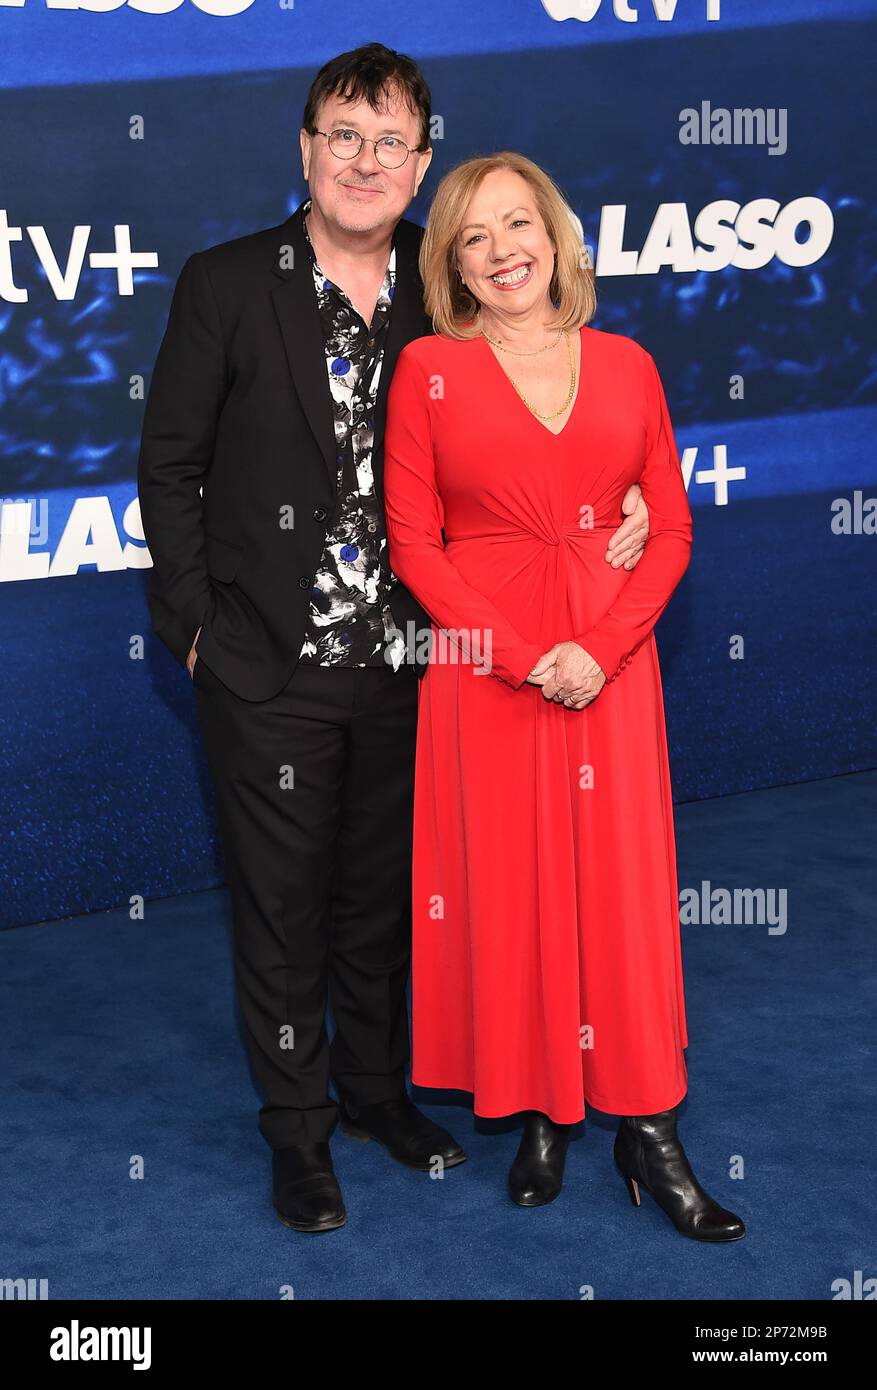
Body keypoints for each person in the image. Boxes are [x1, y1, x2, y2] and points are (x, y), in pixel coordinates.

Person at [137, 45, 650, 1236]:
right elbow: (169, 470)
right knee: (280, 907)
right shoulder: (225, 284)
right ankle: (296, 1133)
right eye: (341, 135)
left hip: (425, 666)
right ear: (305, 147)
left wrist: (623, 494)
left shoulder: (449, 299)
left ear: (421, 166)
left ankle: (372, 1094)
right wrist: (197, 633)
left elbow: (564, 401)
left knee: (383, 900)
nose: (363, 161)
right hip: (264, 667)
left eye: (390, 143)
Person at [383, 152, 745, 1241]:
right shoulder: (427, 371)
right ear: (449, 260)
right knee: (507, 893)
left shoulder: (629, 363)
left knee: (617, 898)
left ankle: (649, 1130)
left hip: (611, 667)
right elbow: (415, 544)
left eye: (516, 225)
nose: (500, 252)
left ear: (555, 235)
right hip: (486, 671)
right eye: (472, 236)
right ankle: (542, 1104)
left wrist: (599, 645)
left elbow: (671, 527)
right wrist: (521, 654)